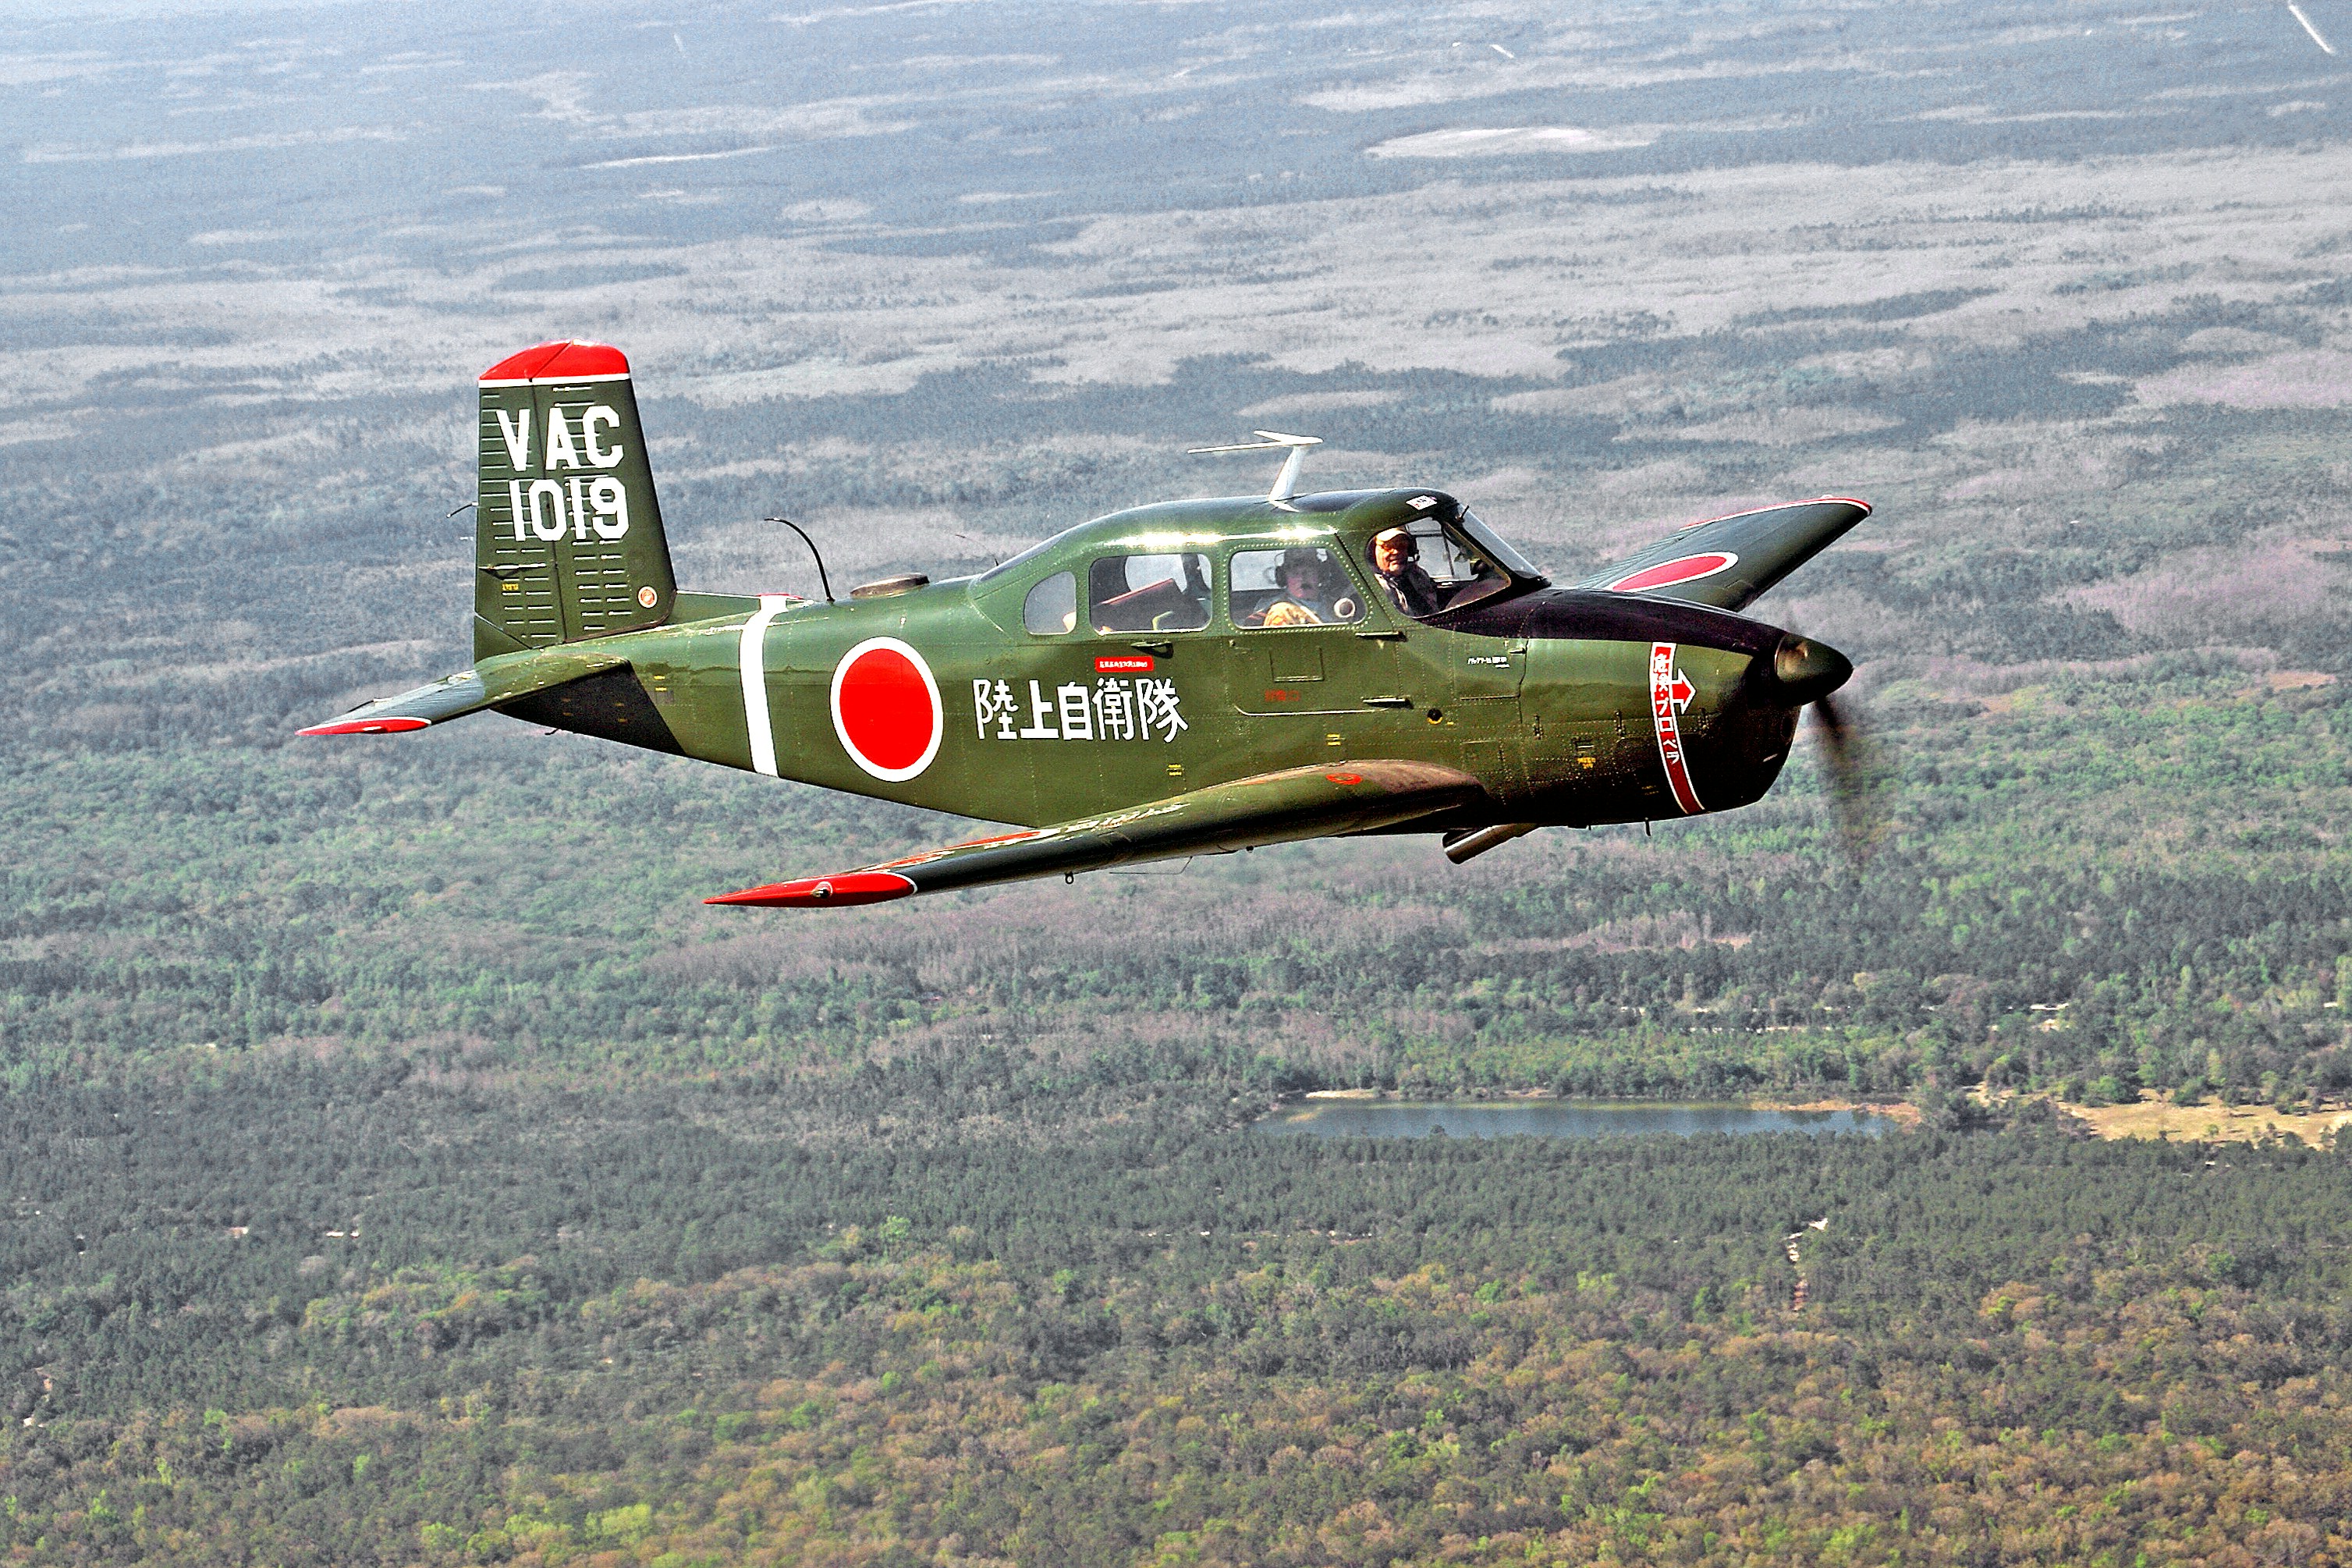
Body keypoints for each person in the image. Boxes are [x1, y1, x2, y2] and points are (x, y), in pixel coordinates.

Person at [1370, 527, 1444, 617]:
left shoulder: (1418, 575)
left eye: (1402, 545)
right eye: (1388, 546)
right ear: (1373, 551)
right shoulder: (1370, 584)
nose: (1396, 552)